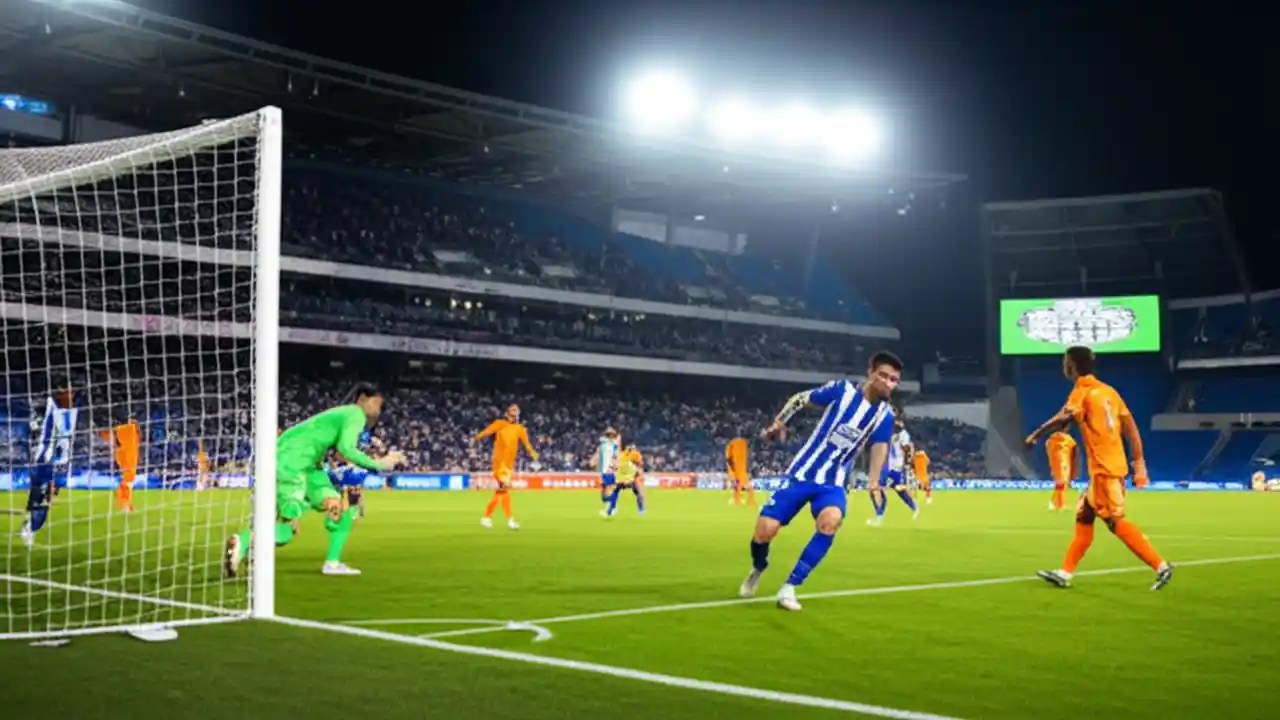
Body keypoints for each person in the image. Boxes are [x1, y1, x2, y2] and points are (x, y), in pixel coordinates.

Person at [739, 351, 902, 611]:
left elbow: (880, 446)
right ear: (870, 372)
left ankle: (790, 587)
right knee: (764, 531)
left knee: (830, 522)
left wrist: (874, 480)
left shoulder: (885, 415)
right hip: (801, 474)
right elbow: (802, 399)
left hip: (833, 482)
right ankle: (759, 566)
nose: (888, 383)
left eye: (894, 380)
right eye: (883, 375)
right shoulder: (843, 390)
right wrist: (780, 422)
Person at [1025, 346, 1173, 590]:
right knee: (1084, 514)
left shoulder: (1082, 391)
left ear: (1071, 365)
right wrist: (1139, 463)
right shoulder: (1109, 392)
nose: (1064, 366)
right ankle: (1065, 573)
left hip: (1104, 469)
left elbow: (1064, 418)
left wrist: (1036, 435)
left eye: (1065, 361)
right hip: (1112, 466)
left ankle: (1161, 566)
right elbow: (1132, 430)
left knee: (1114, 521)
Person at [224, 383, 403, 577]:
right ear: (362, 399)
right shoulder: (355, 413)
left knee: (341, 507)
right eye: (376, 403)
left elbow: (343, 451)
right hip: (292, 462)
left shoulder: (342, 415)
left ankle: (332, 564)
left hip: (305, 465)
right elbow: (346, 448)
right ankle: (244, 541)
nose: (378, 410)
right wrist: (380, 464)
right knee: (287, 528)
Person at [18, 386, 78, 548]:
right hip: (43, 460)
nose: (71, 396)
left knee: (42, 500)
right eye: (68, 392)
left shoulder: (62, 413)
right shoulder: (54, 410)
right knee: (42, 501)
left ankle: (29, 526)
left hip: (46, 462)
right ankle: (28, 529)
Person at [474, 403, 537, 530]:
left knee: (502, 492)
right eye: (513, 410)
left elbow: (526, 443)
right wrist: (477, 437)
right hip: (499, 463)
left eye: (517, 410)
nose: (515, 412)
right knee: (503, 490)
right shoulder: (500, 423)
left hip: (508, 465)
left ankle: (487, 517)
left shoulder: (520, 428)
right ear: (507, 412)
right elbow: (488, 431)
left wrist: (533, 453)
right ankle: (508, 521)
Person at [867, 417, 918, 525]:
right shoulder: (885, 430)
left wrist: (907, 464)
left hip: (896, 467)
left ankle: (914, 507)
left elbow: (908, 449)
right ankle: (879, 515)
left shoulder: (903, 434)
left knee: (898, 490)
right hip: (884, 466)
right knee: (874, 488)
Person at [98, 417, 140, 513]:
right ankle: (124, 503)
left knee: (128, 475)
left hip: (121, 439)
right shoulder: (128, 429)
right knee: (129, 475)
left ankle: (124, 501)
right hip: (125, 437)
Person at [604, 444, 645, 517]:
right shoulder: (630, 454)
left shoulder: (620, 455)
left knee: (616, 491)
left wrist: (611, 470)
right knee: (636, 491)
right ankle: (641, 508)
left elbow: (614, 465)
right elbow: (639, 463)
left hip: (622, 477)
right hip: (628, 476)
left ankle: (611, 508)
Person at [590, 428, 621, 515]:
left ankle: (611, 509)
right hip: (604, 471)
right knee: (604, 494)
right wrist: (593, 460)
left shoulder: (615, 446)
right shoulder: (602, 445)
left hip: (611, 471)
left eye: (611, 435)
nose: (609, 436)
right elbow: (597, 453)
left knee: (610, 490)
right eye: (608, 435)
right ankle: (613, 505)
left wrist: (614, 468)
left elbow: (617, 457)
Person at [1045, 430, 1078, 511]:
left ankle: (1055, 502)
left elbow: (1074, 453)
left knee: (1063, 482)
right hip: (1059, 463)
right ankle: (1060, 504)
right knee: (1061, 481)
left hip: (1065, 463)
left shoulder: (1069, 440)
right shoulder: (1053, 439)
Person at [725, 436, 755, 508]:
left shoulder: (732, 446)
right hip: (739, 469)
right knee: (738, 484)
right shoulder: (742, 446)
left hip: (737, 469)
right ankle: (738, 500)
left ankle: (747, 501)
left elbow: (728, 459)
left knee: (742, 484)